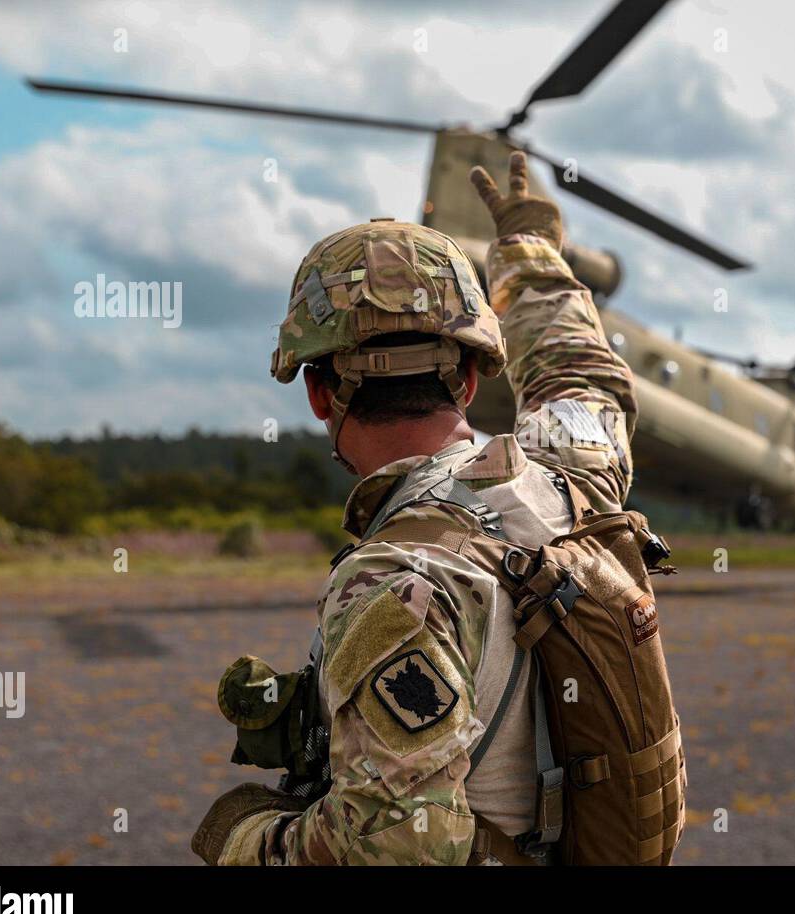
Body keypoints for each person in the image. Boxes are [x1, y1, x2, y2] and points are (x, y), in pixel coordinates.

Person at [193, 152, 637, 865]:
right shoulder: (572, 481)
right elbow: (580, 373)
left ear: (317, 394)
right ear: (467, 379)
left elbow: (398, 848)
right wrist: (531, 253)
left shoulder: (393, 579)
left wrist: (246, 840)